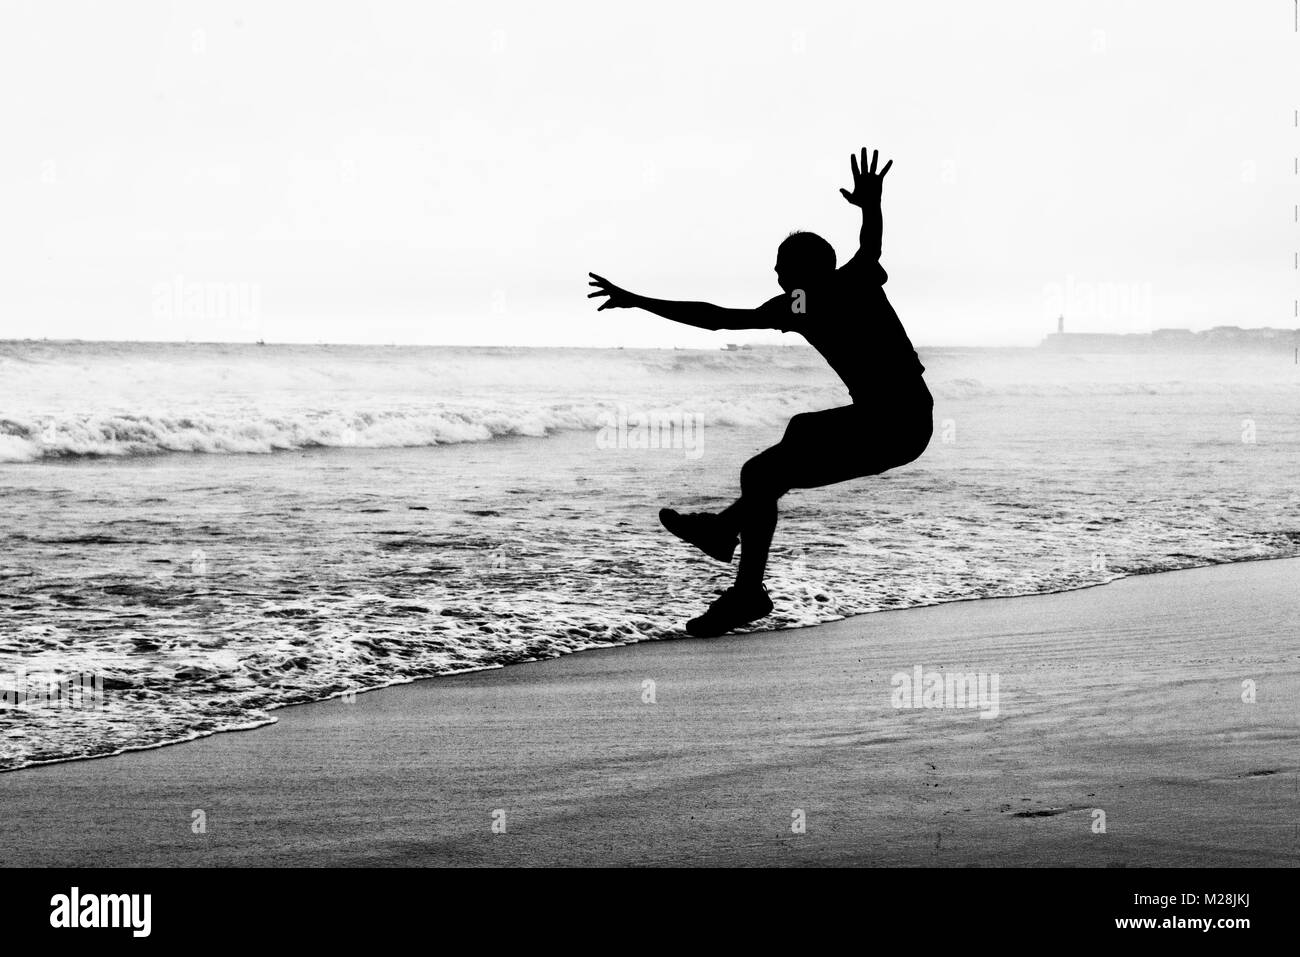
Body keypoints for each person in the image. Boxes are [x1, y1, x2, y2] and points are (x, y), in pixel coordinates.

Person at [588, 148, 932, 637]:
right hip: (899, 425)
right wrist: (639, 300)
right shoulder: (807, 301)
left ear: (802, 270)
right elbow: (718, 316)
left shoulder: (839, 287)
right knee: (766, 474)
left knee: (785, 449)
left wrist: (636, 300)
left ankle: (730, 547)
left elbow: (720, 316)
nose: (775, 276)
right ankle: (739, 574)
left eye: (780, 268)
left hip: (899, 420)